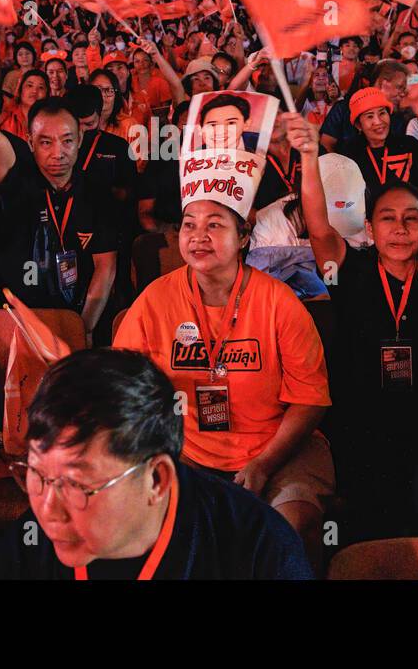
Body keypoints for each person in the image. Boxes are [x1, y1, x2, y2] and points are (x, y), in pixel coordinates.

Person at [288, 112, 418, 542]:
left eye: (411, 219)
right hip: (361, 419)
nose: (400, 229)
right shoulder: (347, 269)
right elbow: (319, 224)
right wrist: (309, 157)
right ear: (369, 228)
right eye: (387, 218)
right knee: (370, 522)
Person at [112, 196, 333, 560]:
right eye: (189, 225)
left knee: (291, 528)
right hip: (187, 450)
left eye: (214, 225)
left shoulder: (279, 301)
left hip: (278, 446)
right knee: (175, 532)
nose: (199, 236)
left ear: (243, 237)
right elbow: (123, 384)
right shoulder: (155, 299)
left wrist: (263, 464)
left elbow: (310, 399)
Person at [0, 349, 312, 579]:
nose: (49, 512)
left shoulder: (258, 547)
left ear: (156, 479)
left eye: (76, 485)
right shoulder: (28, 545)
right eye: (37, 474)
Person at [0, 35, 117, 343]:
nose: (58, 152)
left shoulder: (97, 193)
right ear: (30, 143)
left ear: (80, 140)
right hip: (18, 320)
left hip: (76, 319)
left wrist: (82, 330)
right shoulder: (16, 178)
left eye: (67, 140)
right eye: (46, 142)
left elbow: (105, 269)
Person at [343, 86, 418, 199]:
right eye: (370, 116)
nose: (378, 122)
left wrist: (416, 201)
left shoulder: (409, 145)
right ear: (359, 125)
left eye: (382, 113)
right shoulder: (350, 154)